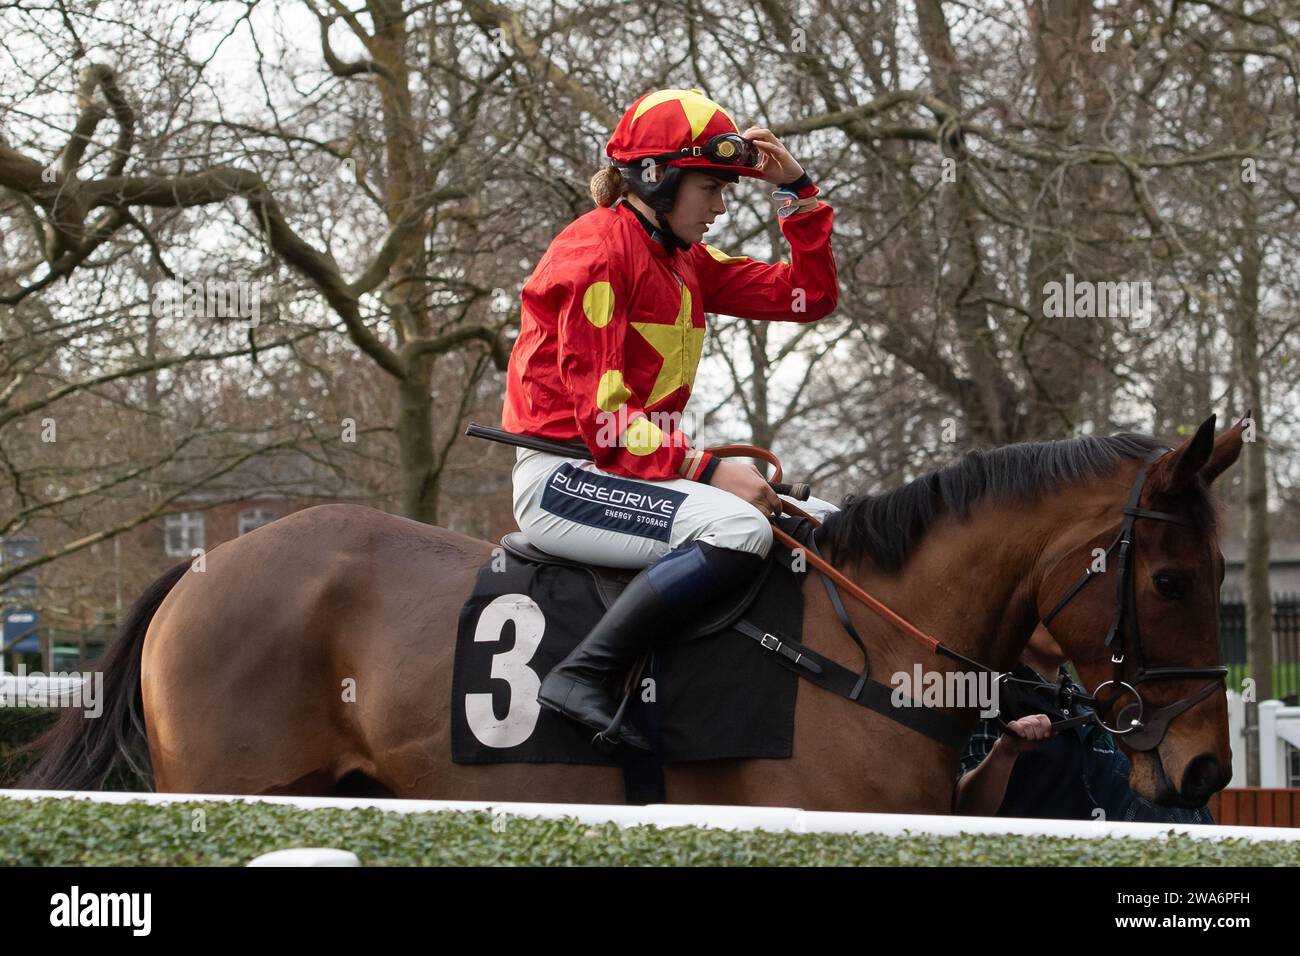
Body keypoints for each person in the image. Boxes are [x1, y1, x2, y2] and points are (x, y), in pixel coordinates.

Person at [500, 88, 838, 749]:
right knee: (739, 527)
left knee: (830, 526)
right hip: (564, 477)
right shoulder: (592, 255)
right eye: (710, 190)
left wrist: (796, 189)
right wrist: (707, 468)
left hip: (636, 472)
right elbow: (603, 425)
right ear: (656, 177)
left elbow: (810, 296)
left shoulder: (688, 261)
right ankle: (584, 676)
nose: (718, 208)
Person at [953, 625, 1214, 823]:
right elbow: (967, 811)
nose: (1063, 626)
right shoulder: (986, 696)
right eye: (1046, 616)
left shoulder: (1086, 698)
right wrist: (1005, 751)